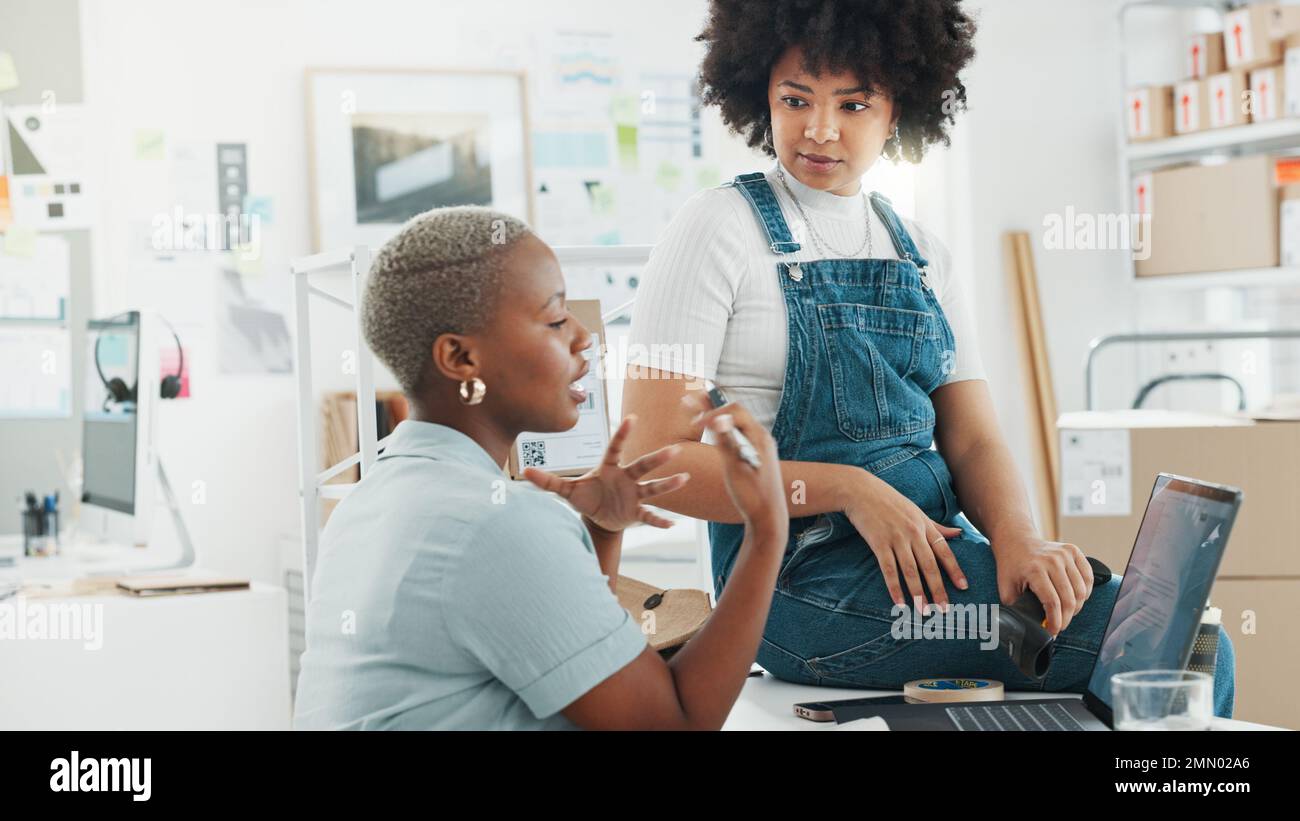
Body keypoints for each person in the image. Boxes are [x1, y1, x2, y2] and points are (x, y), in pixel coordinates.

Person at [620, 0, 1235, 715]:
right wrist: (850, 488)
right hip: (800, 587)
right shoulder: (715, 230)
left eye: (853, 104)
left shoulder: (918, 252)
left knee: (1180, 636)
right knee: (1176, 646)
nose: (820, 128)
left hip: (938, 568)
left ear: (899, 110)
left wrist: (1018, 540)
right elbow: (652, 468)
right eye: (796, 99)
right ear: (760, 92)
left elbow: (972, 437)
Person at [292, 205, 790, 730]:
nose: (584, 338)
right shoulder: (496, 521)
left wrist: (601, 532)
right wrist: (766, 531)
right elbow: (674, 724)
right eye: (555, 320)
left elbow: (572, 662)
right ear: (460, 360)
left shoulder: (377, 495)